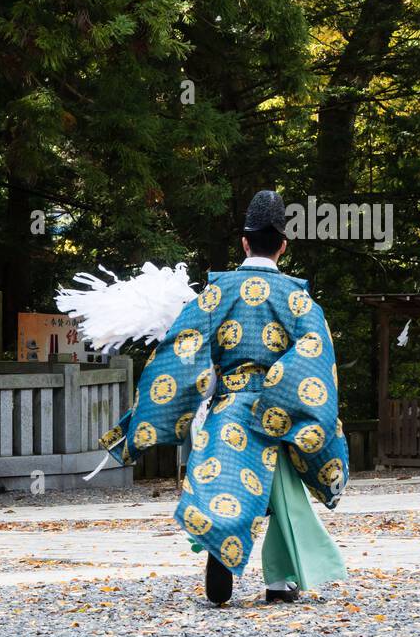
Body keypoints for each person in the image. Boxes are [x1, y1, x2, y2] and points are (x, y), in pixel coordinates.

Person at [99, 191, 348, 605]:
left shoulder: (216, 293)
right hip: (279, 412)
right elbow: (315, 364)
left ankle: (219, 550)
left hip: (229, 409)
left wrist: (141, 421)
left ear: (244, 242)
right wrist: (286, 406)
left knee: (224, 485)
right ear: (283, 246)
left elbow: (179, 355)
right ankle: (280, 580)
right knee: (282, 497)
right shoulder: (301, 301)